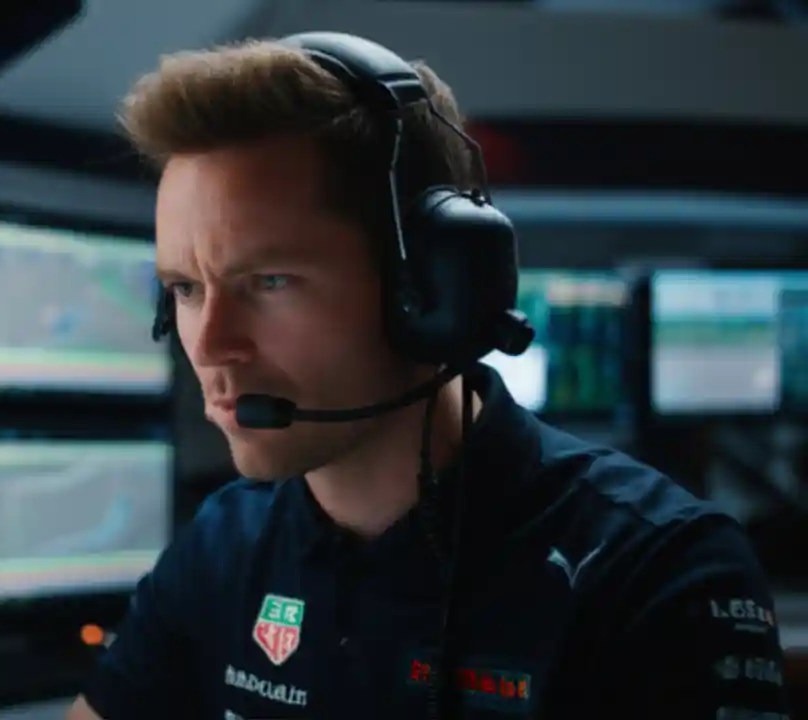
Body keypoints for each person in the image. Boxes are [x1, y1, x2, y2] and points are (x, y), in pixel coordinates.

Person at [66, 32, 791, 720]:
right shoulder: (223, 544)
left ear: (432, 288)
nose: (210, 345)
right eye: (186, 289)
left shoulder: (656, 572)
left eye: (270, 281)